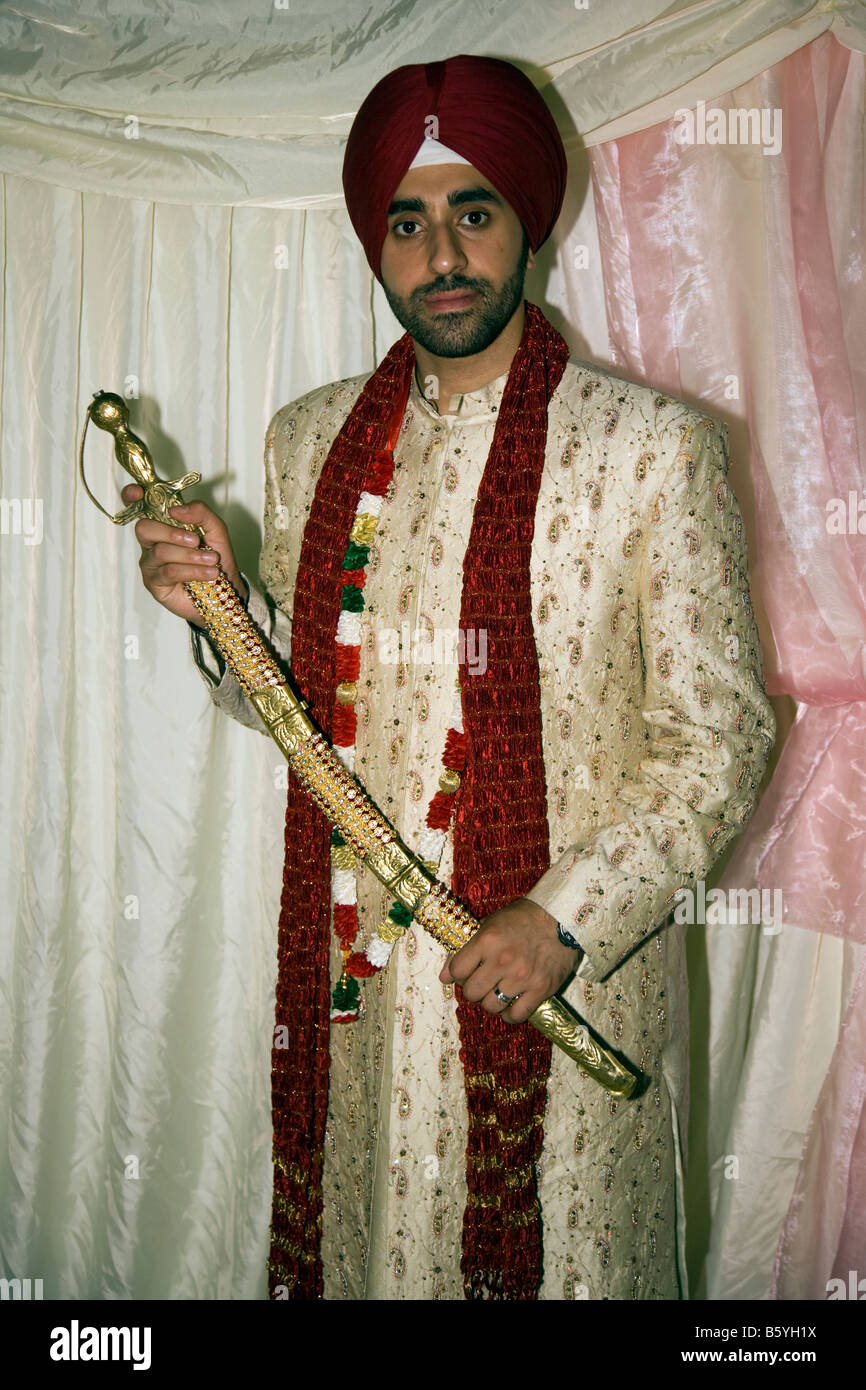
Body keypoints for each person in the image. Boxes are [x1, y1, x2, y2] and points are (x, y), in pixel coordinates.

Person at [123, 54, 775, 1301]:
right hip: (362, 992)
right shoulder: (311, 439)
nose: (442, 255)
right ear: (376, 244)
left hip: (561, 988)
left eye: (472, 211)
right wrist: (223, 608)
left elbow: (718, 735)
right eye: (407, 223)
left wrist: (563, 918)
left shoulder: (650, 450)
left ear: (527, 218)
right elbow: (306, 709)